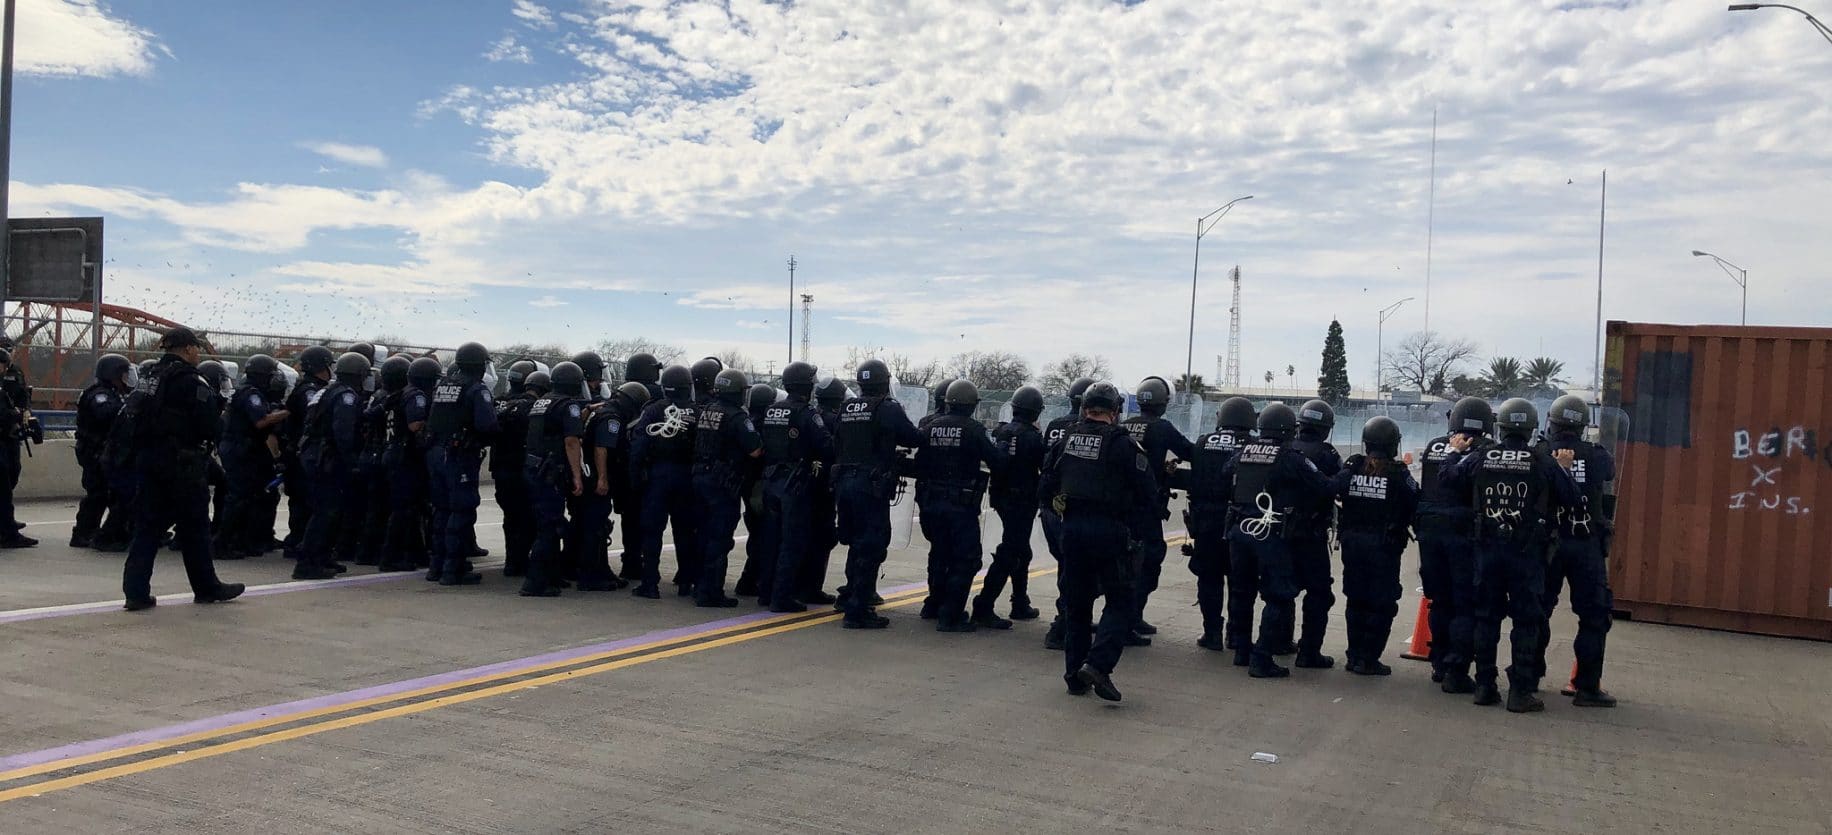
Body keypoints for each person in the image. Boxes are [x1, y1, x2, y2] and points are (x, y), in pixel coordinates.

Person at [1442, 397, 1583, 713]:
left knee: (1486, 618)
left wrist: (1455, 451)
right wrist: (1564, 469)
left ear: (1500, 427)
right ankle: (1519, 691)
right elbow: (1573, 498)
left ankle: (1484, 686)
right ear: (1532, 429)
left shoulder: (1482, 455)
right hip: (1527, 554)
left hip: (1487, 551)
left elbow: (1448, 478)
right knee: (1526, 621)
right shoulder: (1542, 460)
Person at [1037, 382, 1156, 701]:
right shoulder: (1123, 444)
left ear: (1084, 408)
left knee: (1077, 605)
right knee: (1120, 601)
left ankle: (1075, 676)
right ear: (1115, 412)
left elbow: (1046, 487)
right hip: (1110, 531)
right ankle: (1098, 665)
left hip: (1072, 531)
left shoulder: (1065, 440)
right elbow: (1148, 494)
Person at [121, 327, 245, 610]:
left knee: (148, 528)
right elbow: (210, 424)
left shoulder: (149, 376)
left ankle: (135, 592)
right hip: (182, 464)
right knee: (195, 528)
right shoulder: (191, 379)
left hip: (148, 460)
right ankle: (206, 587)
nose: (198, 353)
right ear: (188, 349)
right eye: (196, 348)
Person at [1221, 403, 1334, 677]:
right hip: (1268, 532)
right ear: (1287, 429)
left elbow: (1224, 475)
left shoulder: (1242, 452)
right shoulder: (1289, 457)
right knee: (1280, 595)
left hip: (1238, 529)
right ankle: (1262, 658)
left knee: (1241, 592)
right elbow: (1324, 486)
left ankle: (1242, 651)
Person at [1534, 394, 1619, 708]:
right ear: (1583, 426)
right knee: (1594, 616)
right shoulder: (1596, 455)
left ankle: (1528, 678)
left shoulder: (1541, 452)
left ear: (1552, 422)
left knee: (1537, 610)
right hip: (1585, 545)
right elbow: (1609, 473)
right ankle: (1586, 687)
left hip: (1549, 544)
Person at [834, 359, 924, 629]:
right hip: (869, 485)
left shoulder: (845, 408)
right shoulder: (887, 408)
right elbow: (913, 438)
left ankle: (850, 594)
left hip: (844, 482)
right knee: (871, 545)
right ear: (885, 382)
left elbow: (838, 440)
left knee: (855, 543)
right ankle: (858, 610)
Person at [1414, 397, 1495, 694]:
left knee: (1439, 600)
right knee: (1464, 605)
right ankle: (1455, 670)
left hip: (1429, 532)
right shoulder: (1485, 452)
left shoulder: (1436, 445)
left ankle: (1438, 662)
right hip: (1462, 536)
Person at [1330, 416, 1419, 676]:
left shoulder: (1353, 466)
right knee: (1381, 603)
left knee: (1355, 599)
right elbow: (1416, 500)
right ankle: (1368, 658)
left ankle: (1354, 655)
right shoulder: (1399, 473)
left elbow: (1336, 490)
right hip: (1384, 546)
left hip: (1353, 543)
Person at [915, 379, 1006, 632]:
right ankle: (951, 615)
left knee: (939, 553)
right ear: (972, 405)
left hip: (930, 502)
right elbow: (997, 461)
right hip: (960, 505)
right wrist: (1003, 446)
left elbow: (918, 460)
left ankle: (933, 605)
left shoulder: (930, 427)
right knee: (966, 559)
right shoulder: (974, 429)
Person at [1169, 396, 1255, 652]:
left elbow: (1195, 479)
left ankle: (1212, 633)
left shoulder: (1204, 442)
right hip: (1239, 522)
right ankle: (1236, 636)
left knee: (1209, 579)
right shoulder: (1252, 444)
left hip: (1206, 522)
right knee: (1240, 581)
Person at [1120, 376, 1195, 642]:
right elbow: (1189, 451)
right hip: (1147, 507)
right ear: (1164, 403)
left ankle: (1130, 617)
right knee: (1149, 563)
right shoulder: (1162, 428)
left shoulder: (1124, 425)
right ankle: (1127, 621)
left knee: (1126, 563)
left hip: (1122, 507)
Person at [755, 363, 832, 613]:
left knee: (771, 540)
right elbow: (826, 446)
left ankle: (765, 592)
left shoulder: (771, 410)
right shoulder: (808, 414)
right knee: (793, 541)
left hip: (771, 480)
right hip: (795, 483)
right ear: (805, 386)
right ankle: (782, 597)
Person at [970, 384, 1046, 626]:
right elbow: (1045, 468)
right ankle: (984, 603)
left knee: (1021, 550)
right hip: (1022, 500)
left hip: (1001, 497)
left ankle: (1020, 602)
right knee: (1011, 551)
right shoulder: (1033, 438)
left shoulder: (1002, 432)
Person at [426, 343, 500, 586]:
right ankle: (453, 569)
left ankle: (437, 566)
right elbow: (487, 424)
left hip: (436, 451)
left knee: (441, 510)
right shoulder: (476, 389)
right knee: (462, 509)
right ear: (480, 365)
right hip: (458, 456)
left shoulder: (443, 386)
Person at [689, 368, 763, 607]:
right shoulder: (737, 417)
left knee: (701, 534)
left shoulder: (705, 410)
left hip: (699, 476)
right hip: (722, 483)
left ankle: (698, 584)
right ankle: (711, 592)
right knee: (719, 538)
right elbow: (755, 450)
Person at [295, 352, 371, 580]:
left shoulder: (326, 390)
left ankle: (322, 557)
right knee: (325, 512)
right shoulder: (346, 396)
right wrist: (352, 462)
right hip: (328, 458)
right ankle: (307, 564)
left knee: (332, 511)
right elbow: (343, 432)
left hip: (316, 454)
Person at [629, 364, 700, 599]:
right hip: (687, 477)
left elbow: (638, 445)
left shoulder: (653, 410)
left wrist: (635, 476)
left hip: (657, 476)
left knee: (652, 532)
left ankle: (650, 583)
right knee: (685, 531)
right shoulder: (697, 412)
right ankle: (686, 582)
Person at [1285, 399, 1344, 668]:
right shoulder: (1328, 454)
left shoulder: (1286, 448)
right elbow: (1336, 489)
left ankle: (1278, 640)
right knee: (1319, 593)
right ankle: (1309, 652)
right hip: (1311, 533)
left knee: (1283, 589)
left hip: (1280, 531)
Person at [522, 362, 588, 597]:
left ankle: (551, 575)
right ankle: (535, 583)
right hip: (549, 472)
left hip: (533, 468)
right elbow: (571, 441)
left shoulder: (543, 401)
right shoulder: (568, 405)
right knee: (549, 527)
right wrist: (577, 476)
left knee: (546, 523)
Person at [214, 355, 289, 558]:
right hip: (239, 449)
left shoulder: (251, 391)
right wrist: (286, 412)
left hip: (243, 449)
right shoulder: (250, 393)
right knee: (238, 497)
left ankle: (243, 540)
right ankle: (222, 543)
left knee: (252, 495)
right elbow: (261, 421)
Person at [1041, 377, 1095, 651]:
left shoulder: (1055, 426)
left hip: (1052, 505)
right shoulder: (1089, 431)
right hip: (1075, 508)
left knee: (1067, 563)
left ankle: (1070, 617)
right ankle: (1063, 623)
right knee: (1076, 568)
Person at [381, 357, 440, 572]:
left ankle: (415, 553)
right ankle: (391, 557)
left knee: (409, 508)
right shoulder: (416, 396)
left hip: (394, 453)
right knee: (404, 510)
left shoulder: (398, 394)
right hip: (405, 457)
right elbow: (416, 425)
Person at [71, 354, 135, 548]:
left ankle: (113, 532)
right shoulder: (100, 394)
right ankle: (84, 533)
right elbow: (105, 413)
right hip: (93, 451)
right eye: (123, 374)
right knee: (97, 493)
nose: (126, 378)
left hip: (103, 451)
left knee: (111, 493)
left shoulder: (112, 392)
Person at [799, 376, 850, 604]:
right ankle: (811, 588)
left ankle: (802, 585)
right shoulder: (833, 420)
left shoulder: (811, 415)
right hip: (825, 487)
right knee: (823, 536)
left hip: (805, 484)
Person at [282, 346, 335, 557]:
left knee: (301, 499)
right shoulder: (310, 391)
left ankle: (297, 541)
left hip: (297, 450)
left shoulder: (305, 387)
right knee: (305, 500)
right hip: (302, 451)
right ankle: (298, 542)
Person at [617, 351, 666, 581]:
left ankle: (631, 562)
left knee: (630, 519)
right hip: (650, 466)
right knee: (648, 522)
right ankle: (645, 567)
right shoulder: (657, 395)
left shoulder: (623, 392)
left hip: (625, 465)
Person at [492, 360, 542, 577]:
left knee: (510, 517)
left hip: (501, 466)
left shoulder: (499, 402)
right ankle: (522, 562)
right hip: (521, 467)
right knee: (528, 517)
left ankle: (512, 561)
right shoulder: (531, 405)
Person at [735, 383, 782, 597]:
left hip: (748, 485)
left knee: (757, 532)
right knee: (765, 534)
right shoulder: (763, 426)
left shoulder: (748, 422)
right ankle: (755, 580)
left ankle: (750, 579)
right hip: (759, 486)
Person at [0, 348, 40, 548]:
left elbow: (22, 395)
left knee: (10, 477)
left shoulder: (15, 374)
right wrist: (15, 415)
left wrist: (22, 413)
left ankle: (7, 527)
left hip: (8, 437)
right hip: (3, 435)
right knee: (3, 488)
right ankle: (7, 533)